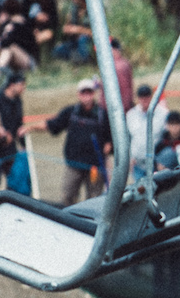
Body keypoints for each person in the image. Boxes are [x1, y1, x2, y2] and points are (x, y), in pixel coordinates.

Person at [46, 78, 111, 206]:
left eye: (89, 92)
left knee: (94, 199)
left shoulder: (103, 114)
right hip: (73, 164)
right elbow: (53, 125)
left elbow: (110, 140)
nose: (86, 96)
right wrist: (29, 128)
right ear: (78, 94)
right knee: (67, 195)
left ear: (94, 94)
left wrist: (108, 147)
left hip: (94, 166)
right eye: (83, 93)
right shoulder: (70, 112)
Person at [124, 84, 170, 183]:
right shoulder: (130, 115)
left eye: (147, 96)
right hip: (138, 165)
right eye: (142, 97)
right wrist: (129, 158)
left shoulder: (163, 114)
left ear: (152, 96)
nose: (144, 99)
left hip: (156, 164)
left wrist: (163, 160)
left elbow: (168, 138)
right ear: (138, 98)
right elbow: (127, 139)